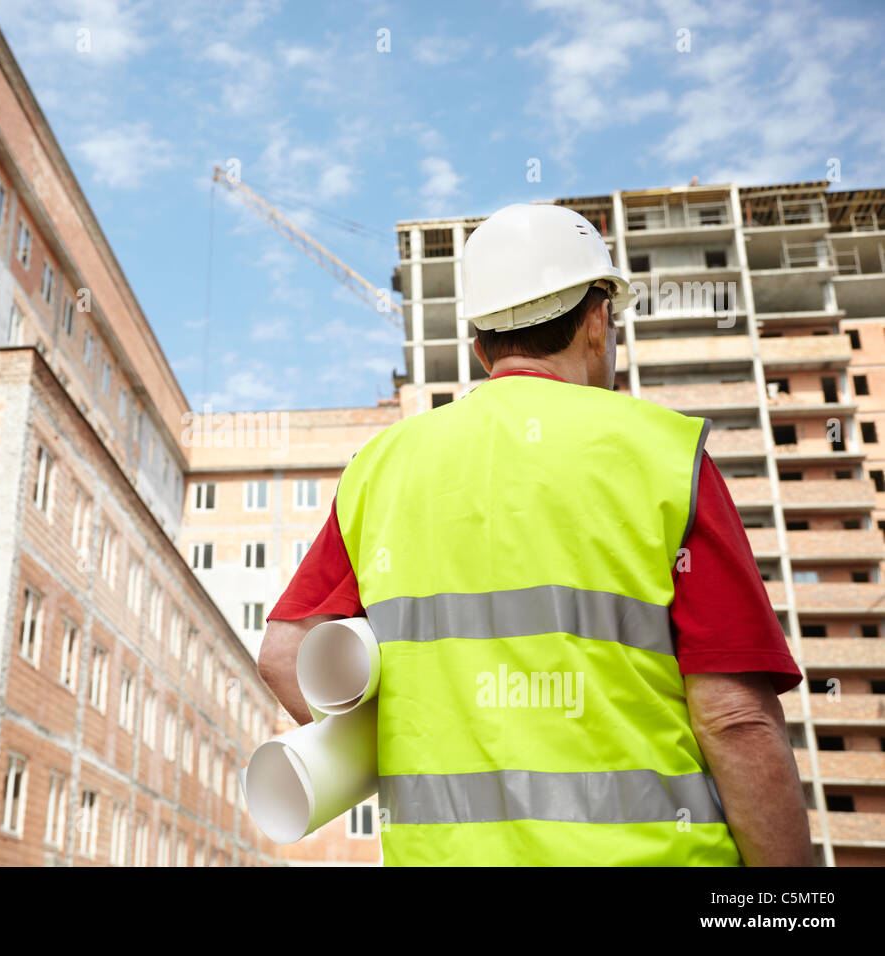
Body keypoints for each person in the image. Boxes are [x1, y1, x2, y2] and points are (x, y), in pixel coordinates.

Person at [257, 203, 812, 866]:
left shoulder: (382, 467)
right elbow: (736, 720)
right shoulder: (665, 455)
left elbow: (285, 655)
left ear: (480, 347)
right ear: (599, 321)